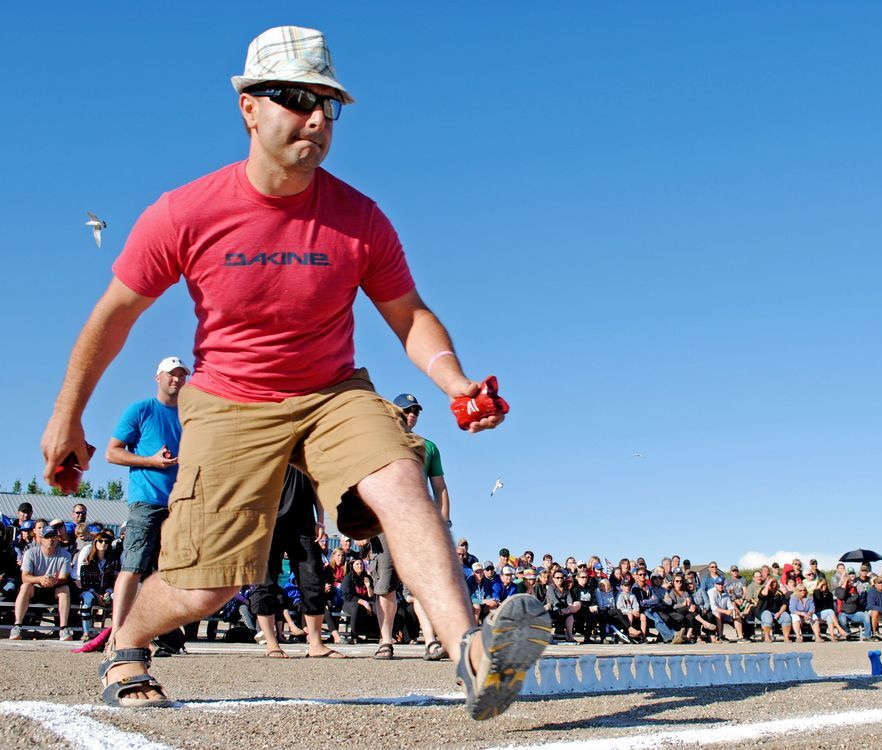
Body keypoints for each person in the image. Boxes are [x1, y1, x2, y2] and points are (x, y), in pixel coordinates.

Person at [39, 25, 548, 717]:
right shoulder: (185, 213)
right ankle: (125, 643)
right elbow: (113, 316)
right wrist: (68, 414)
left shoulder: (359, 219)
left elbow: (409, 315)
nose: (315, 117)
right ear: (248, 106)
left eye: (327, 103)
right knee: (207, 588)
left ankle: (474, 656)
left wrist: (453, 381)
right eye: (294, 98)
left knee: (401, 477)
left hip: (333, 391)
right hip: (230, 399)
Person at [104, 357, 189, 642]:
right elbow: (112, 452)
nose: (176, 379)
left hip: (179, 504)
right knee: (133, 567)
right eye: (171, 374)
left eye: (181, 375)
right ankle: (118, 632)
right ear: (158, 377)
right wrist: (150, 461)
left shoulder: (189, 416)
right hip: (147, 500)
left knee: (170, 573)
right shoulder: (141, 410)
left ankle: (163, 636)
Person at [250, 467, 342, 659]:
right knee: (265, 582)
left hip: (303, 524)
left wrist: (321, 520)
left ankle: (316, 644)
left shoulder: (306, 449)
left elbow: (317, 484)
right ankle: (272, 643)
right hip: (269, 522)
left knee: (313, 581)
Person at [389, 392, 450, 661]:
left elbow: (440, 487)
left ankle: (430, 641)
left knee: (423, 583)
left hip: (418, 520)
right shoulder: (382, 442)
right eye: (406, 410)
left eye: (415, 410)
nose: (411, 414)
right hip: (387, 519)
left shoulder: (429, 447)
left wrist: (443, 519)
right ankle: (385, 641)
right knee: (386, 585)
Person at [11, 526, 73, 641]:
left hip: (54, 589)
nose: (51, 540)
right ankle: (17, 626)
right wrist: (40, 579)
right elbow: (25, 577)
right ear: (41, 539)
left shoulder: (65, 555)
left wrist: (54, 581)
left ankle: (63, 628)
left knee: (65, 589)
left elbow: (64, 578)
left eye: (53, 537)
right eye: (47, 537)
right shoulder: (31, 553)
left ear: (57, 538)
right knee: (25, 586)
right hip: (36, 589)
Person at [76, 531, 119, 641]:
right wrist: (96, 595)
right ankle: (86, 631)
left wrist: (108, 592)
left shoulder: (113, 561)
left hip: (107, 591)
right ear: (95, 543)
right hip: (90, 591)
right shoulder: (87, 561)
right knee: (87, 599)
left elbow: (114, 581)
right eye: (100, 541)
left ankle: (116, 632)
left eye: (106, 542)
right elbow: (85, 583)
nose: (103, 544)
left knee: (117, 598)